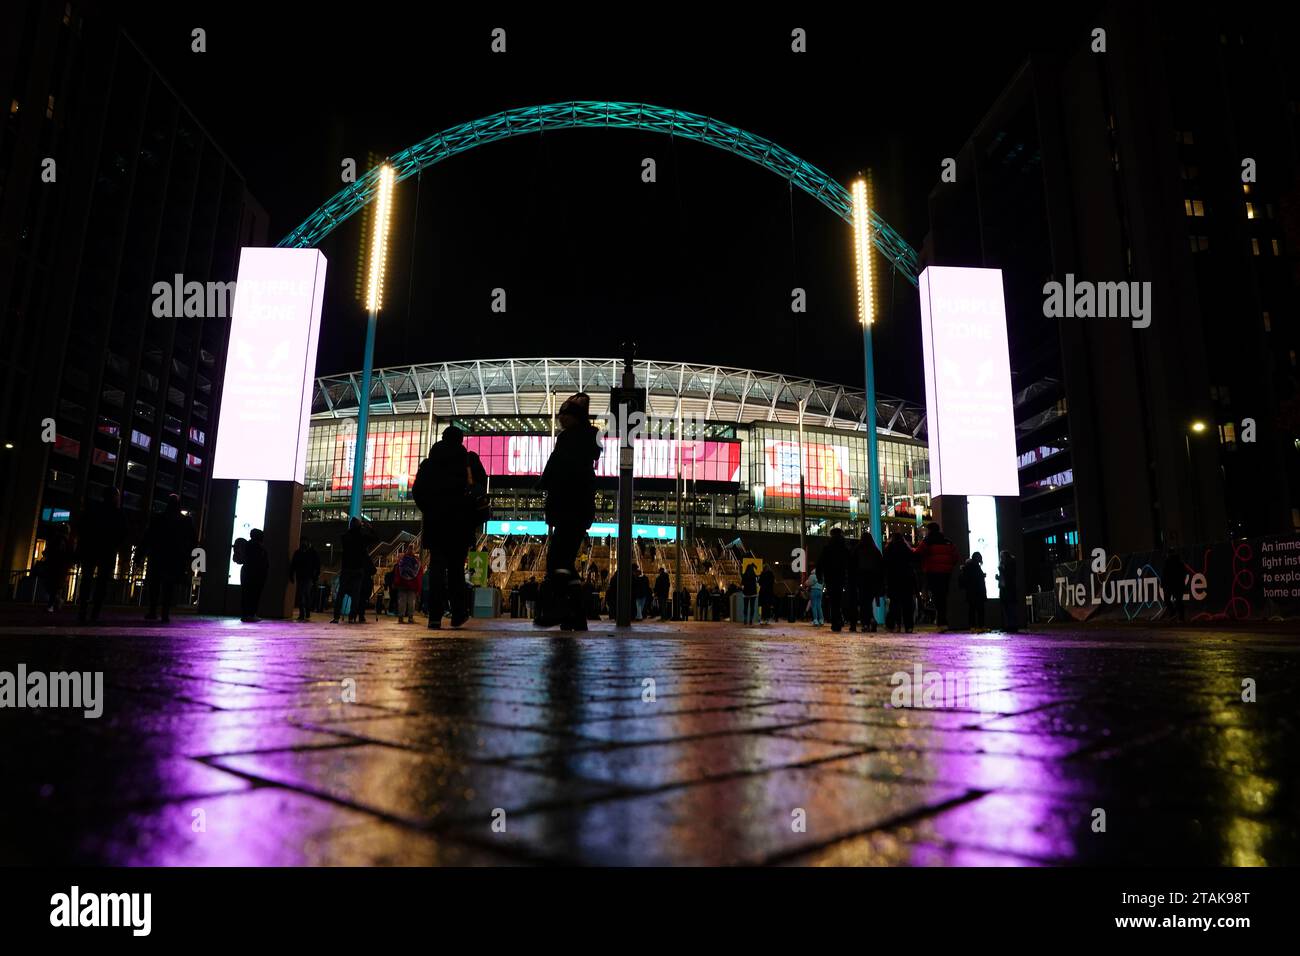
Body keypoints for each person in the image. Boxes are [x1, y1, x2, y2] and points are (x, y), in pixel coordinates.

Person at [532, 393, 602, 630]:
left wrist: (545, 482)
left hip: (569, 507)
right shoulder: (587, 438)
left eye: (565, 414)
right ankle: (576, 616)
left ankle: (558, 610)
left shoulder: (569, 439)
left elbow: (559, 468)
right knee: (566, 562)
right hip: (579, 509)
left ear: (575, 417)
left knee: (557, 560)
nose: (561, 418)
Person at [412, 425, 472, 629]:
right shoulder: (465, 463)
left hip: (435, 523)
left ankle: (434, 616)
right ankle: (458, 613)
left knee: (437, 569)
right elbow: (473, 491)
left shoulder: (429, 464)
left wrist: (429, 509)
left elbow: (417, 490)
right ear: (460, 440)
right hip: (459, 524)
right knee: (456, 571)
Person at [75, 487, 127, 624]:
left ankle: (83, 607)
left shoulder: (92, 510)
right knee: (102, 582)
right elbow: (122, 534)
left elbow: (81, 527)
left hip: (90, 548)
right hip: (107, 550)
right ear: (115, 498)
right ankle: (95, 611)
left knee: (87, 578)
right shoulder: (118, 514)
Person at [143, 496, 196, 623]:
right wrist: (187, 554)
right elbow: (193, 539)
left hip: (158, 555)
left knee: (155, 584)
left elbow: (149, 536)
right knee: (169, 586)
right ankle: (165, 613)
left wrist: (142, 552)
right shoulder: (185, 521)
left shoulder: (159, 518)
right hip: (175, 557)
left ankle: (153, 610)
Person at [914, 522, 958, 629]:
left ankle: (941, 621)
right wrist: (949, 566)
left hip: (933, 572)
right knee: (943, 596)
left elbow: (917, 553)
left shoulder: (927, 541)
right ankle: (943, 621)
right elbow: (955, 557)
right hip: (946, 573)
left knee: (936, 596)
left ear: (930, 530)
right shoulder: (948, 542)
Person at [331, 518, 373, 624]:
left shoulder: (345, 537)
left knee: (341, 593)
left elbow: (347, 535)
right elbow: (375, 538)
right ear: (359, 526)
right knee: (356, 595)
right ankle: (352, 616)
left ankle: (336, 616)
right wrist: (369, 528)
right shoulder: (362, 537)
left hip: (346, 568)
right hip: (358, 569)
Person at [884, 532, 917, 633]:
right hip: (906, 579)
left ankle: (892, 624)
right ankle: (909, 626)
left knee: (894, 603)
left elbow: (886, 565)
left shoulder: (889, 549)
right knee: (907, 604)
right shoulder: (907, 549)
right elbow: (913, 561)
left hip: (894, 579)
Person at [819, 529, 850, 632]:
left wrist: (820, 576)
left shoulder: (827, 548)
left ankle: (835, 622)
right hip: (840, 577)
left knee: (833, 600)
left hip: (830, 577)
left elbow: (821, 563)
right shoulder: (844, 548)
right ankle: (838, 620)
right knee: (839, 599)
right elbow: (849, 563)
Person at [854, 533, 885, 632]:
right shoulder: (875, 551)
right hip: (873, 581)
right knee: (868, 601)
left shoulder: (858, 549)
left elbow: (853, 564)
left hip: (862, 579)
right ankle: (871, 619)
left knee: (864, 602)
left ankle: (866, 623)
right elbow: (881, 567)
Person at [240, 528, 270, 622]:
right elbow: (262, 562)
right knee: (254, 594)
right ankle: (251, 614)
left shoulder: (247, 546)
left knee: (247, 594)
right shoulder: (258, 548)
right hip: (256, 575)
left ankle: (246, 614)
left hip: (248, 573)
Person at [40, 524, 72, 612]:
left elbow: (47, 551)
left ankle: (53, 604)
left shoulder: (56, 540)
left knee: (52, 586)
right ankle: (56, 602)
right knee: (55, 586)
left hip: (54, 565)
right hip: (60, 567)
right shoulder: (67, 541)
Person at [289, 539, 321, 621]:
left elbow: (293, 565)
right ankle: (306, 612)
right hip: (308, 577)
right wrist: (316, 576)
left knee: (302, 594)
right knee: (305, 594)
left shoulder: (298, 553)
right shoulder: (313, 553)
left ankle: (303, 613)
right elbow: (317, 565)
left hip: (302, 576)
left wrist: (291, 575)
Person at [394, 546, 423, 624]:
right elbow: (419, 576)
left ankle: (401, 617)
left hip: (402, 584)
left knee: (402, 601)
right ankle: (410, 618)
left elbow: (397, 573)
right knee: (411, 602)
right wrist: (418, 588)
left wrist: (396, 583)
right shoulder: (417, 562)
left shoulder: (401, 561)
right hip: (412, 585)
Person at [959, 551, 987, 628]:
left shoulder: (969, 565)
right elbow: (975, 578)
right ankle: (979, 625)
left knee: (972, 609)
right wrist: (982, 576)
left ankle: (973, 625)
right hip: (977, 591)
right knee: (979, 609)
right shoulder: (974, 565)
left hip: (972, 592)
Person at [1161, 548, 1187, 623]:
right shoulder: (1180, 563)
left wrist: (1163, 585)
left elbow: (1164, 575)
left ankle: (1174, 614)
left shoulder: (1167, 562)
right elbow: (1183, 574)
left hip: (1171, 585)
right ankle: (1180, 617)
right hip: (1178, 585)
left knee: (1169, 600)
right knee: (1178, 601)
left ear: (1168, 554)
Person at [997, 550, 1019, 632]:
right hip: (1004, 589)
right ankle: (1008, 626)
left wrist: (1002, 571)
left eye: (1002, 556)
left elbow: (1009, 577)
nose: (1001, 558)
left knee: (1010, 608)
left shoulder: (1010, 564)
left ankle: (1012, 626)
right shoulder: (1005, 565)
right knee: (1006, 608)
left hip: (1008, 589)